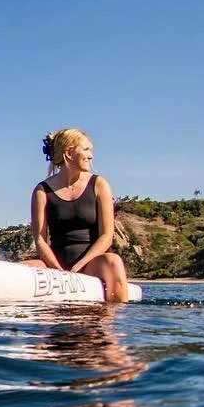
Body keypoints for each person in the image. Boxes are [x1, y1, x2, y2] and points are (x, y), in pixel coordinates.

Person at [26, 127, 130, 302]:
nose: (91, 156)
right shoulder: (42, 191)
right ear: (69, 153)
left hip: (91, 264)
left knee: (114, 262)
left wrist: (79, 266)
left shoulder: (99, 185)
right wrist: (60, 271)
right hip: (55, 265)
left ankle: (111, 326)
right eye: (86, 150)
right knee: (23, 268)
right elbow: (41, 240)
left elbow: (106, 236)